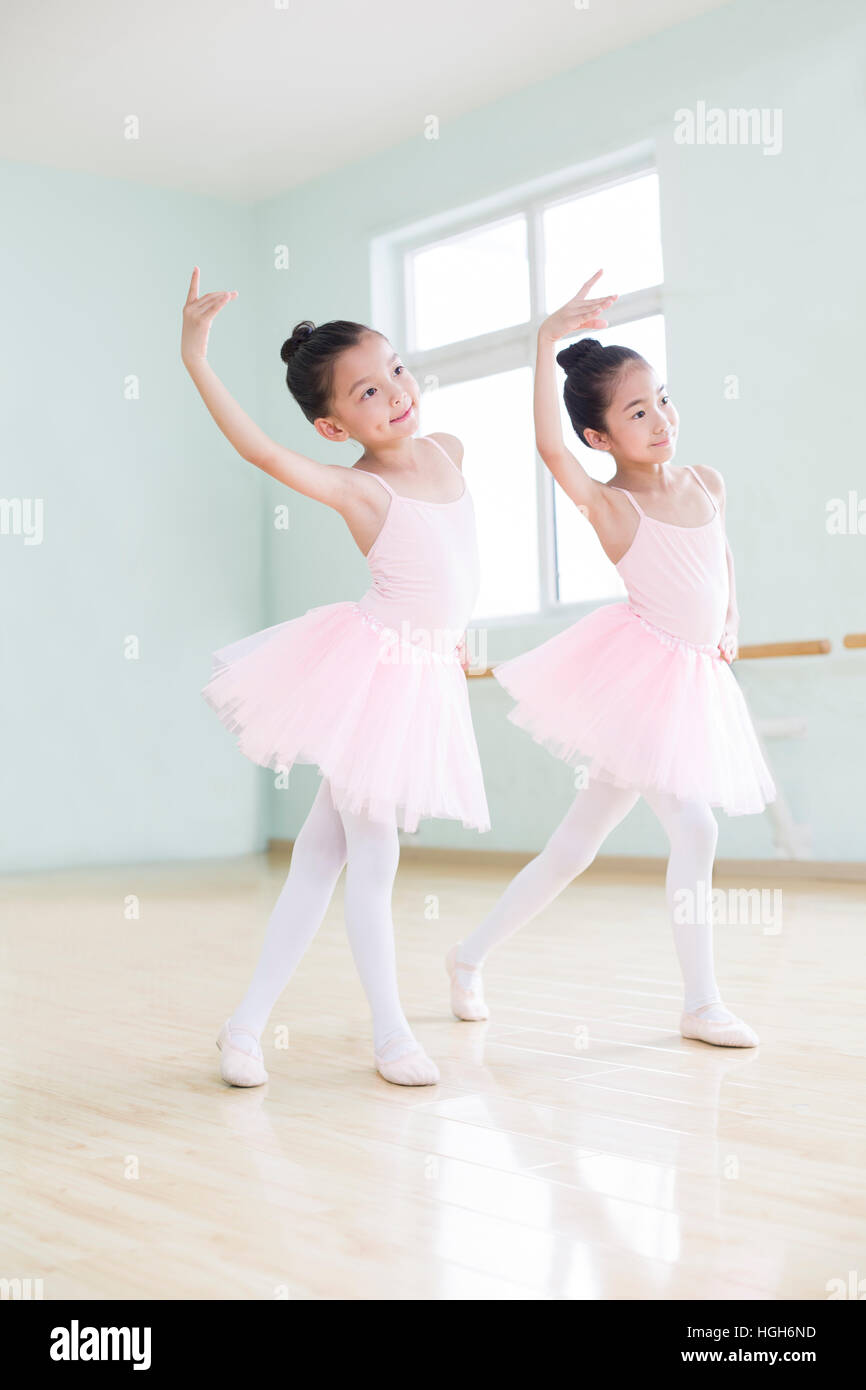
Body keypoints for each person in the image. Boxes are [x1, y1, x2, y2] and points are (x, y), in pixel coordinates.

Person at [445, 270, 775, 1048]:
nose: (659, 417)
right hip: (640, 681)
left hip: (693, 681)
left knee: (573, 848)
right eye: (636, 411)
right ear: (601, 439)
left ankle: (467, 955)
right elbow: (542, 445)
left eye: (661, 397)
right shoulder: (611, 504)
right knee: (695, 829)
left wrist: (732, 617)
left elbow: (723, 559)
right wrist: (541, 342)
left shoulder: (706, 481)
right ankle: (701, 1003)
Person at [181, 268, 489, 1087]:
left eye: (394, 369)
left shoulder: (450, 452)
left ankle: (243, 1028)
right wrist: (194, 355)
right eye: (365, 392)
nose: (394, 393)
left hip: (423, 675)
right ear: (331, 425)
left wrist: (452, 638)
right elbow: (259, 449)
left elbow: (451, 566)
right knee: (373, 858)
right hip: (373, 675)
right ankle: (391, 1037)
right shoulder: (359, 488)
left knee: (322, 859)